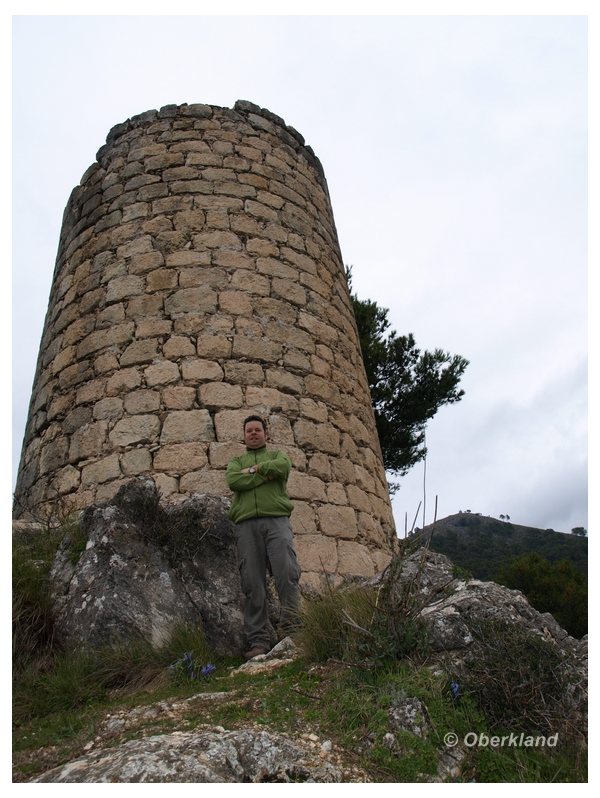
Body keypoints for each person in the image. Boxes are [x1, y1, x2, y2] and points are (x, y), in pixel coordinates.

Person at [226, 415, 301, 660]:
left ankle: (294, 632)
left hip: (276, 520)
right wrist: (262, 474)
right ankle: (258, 642)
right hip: (246, 524)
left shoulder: (278, 456)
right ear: (244, 435)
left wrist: (253, 472)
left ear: (266, 434)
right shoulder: (236, 461)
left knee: (287, 573)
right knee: (252, 582)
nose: (254, 434)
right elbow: (233, 480)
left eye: (258, 430)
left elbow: (283, 468)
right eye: (249, 431)